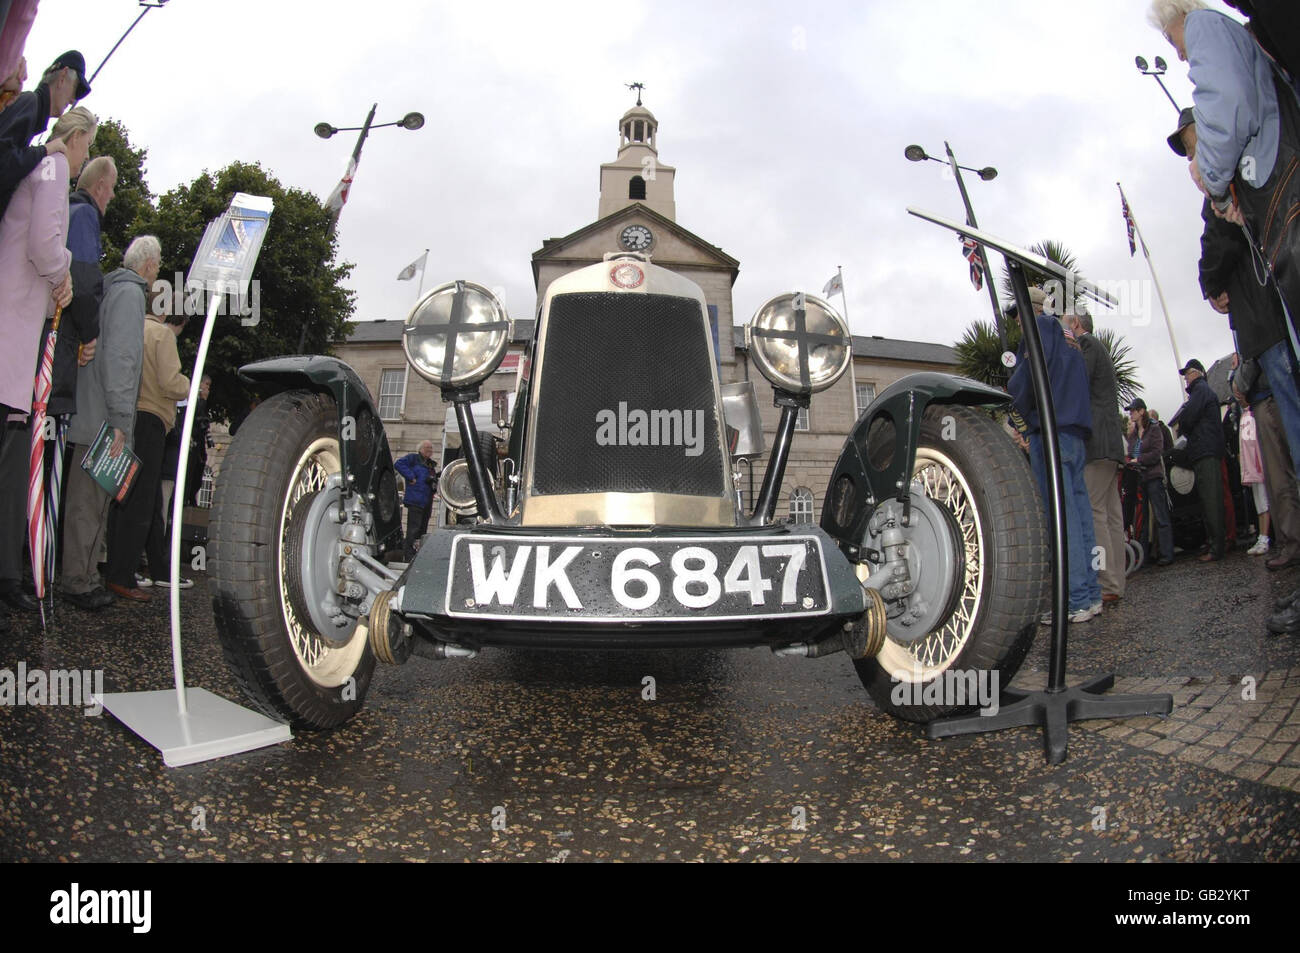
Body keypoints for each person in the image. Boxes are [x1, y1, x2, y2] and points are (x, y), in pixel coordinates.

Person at [1169, 108, 1300, 481]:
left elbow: (1217, 244)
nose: (1194, 163)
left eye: (1196, 150)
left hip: (1271, 320)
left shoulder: (1228, 179)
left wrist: (1209, 285)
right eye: (1190, 155)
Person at [1149, 1, 1300, 317]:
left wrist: (1211, 178)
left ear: (1180, 13)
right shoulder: (1235, 32)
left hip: (1284, 198)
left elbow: (1227, 105)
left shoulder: (1201, 24)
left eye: (1168, 37)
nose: (1177, 52)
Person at [0, 104, 89, 616]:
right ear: (76, 140)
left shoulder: (37, 166)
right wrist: (65, 273)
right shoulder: (54, 168)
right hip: (14, 324)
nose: (83, 161)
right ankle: (8, 572)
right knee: (11, 451)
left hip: (13, 317)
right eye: (87, 147)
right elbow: (44, 245)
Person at [61, 235, 161, 610]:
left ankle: (84, 578)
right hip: (103, 421)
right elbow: (121, 360)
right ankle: (78, 582)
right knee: (89, 505)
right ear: (148, 265)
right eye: (157, 266)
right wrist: (121, 420)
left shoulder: (113, 289)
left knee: (92, 504)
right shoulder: (131, 295)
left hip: (93, 415)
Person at [1007, 287, 1101, 623]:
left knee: (1061, 519)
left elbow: (1029, 377)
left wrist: (1012, 403)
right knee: (1079, 515)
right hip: (1074, 431)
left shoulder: (1042, 327)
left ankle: (1074, 600)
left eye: (1017, 314)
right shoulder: (1067, 333)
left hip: (1052, 430)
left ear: (1028, 310)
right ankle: (1090, 595)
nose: (1017, 323)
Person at [103, 301, 190, 601]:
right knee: (142, 505)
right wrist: (188, 384)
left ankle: (112, 568)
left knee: (121, 497)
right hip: (152, 420)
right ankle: (122, 577)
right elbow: (170, 383)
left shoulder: (132, 328)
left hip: (127, 417)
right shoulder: (162, 335)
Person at [1066, 310, 1127, 606]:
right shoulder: (1100, 348)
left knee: (1095, 513)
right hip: (1111, 444)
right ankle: (1117, 580)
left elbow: (1077, 381)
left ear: (1076, 325)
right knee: (1113, 515)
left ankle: (1106, 581)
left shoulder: (1087, 346)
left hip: (1097, 444)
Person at [0, 50, 86, 219]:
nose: (72, 100)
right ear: (62, 78)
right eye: (74, 90)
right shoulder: (30, 102)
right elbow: (3, 163)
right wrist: (45, 150)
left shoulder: (30, 107)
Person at [1170, 359, 1229, 561]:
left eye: (1188, 373)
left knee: (1211, 499)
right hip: (1204, 450)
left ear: (1198, 373)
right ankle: (1214, 542)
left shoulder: (1201, 391)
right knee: (1207, 498)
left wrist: (1186, 421)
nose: (1186, 377)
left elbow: (1186, 420)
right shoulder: (1200, 392)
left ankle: (1216, 547)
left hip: (1206, 451)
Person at [1126, 399, 1175, 566]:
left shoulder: (1153, 429)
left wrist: (1139, 460)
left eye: (1133, 410)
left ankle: (1167, 553)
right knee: (1143, 519)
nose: (1130, 413)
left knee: (1161, 516)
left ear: (1141, 411)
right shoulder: (1133, 435)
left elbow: (1156, 453)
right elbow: (1131, 453)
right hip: (1140, 478)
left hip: (1153, 477)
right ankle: (1144, 556)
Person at [394, 440, 438, 560]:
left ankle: (417, 555)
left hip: (427, 500)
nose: (430, 450)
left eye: (431, 448)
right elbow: (398, 464)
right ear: (421, 449)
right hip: (416, 500)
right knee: (414, 529)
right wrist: (411, 477)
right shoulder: (413, 458)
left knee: (422, 530)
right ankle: (408, 555)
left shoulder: (430, 465)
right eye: (427, 448)